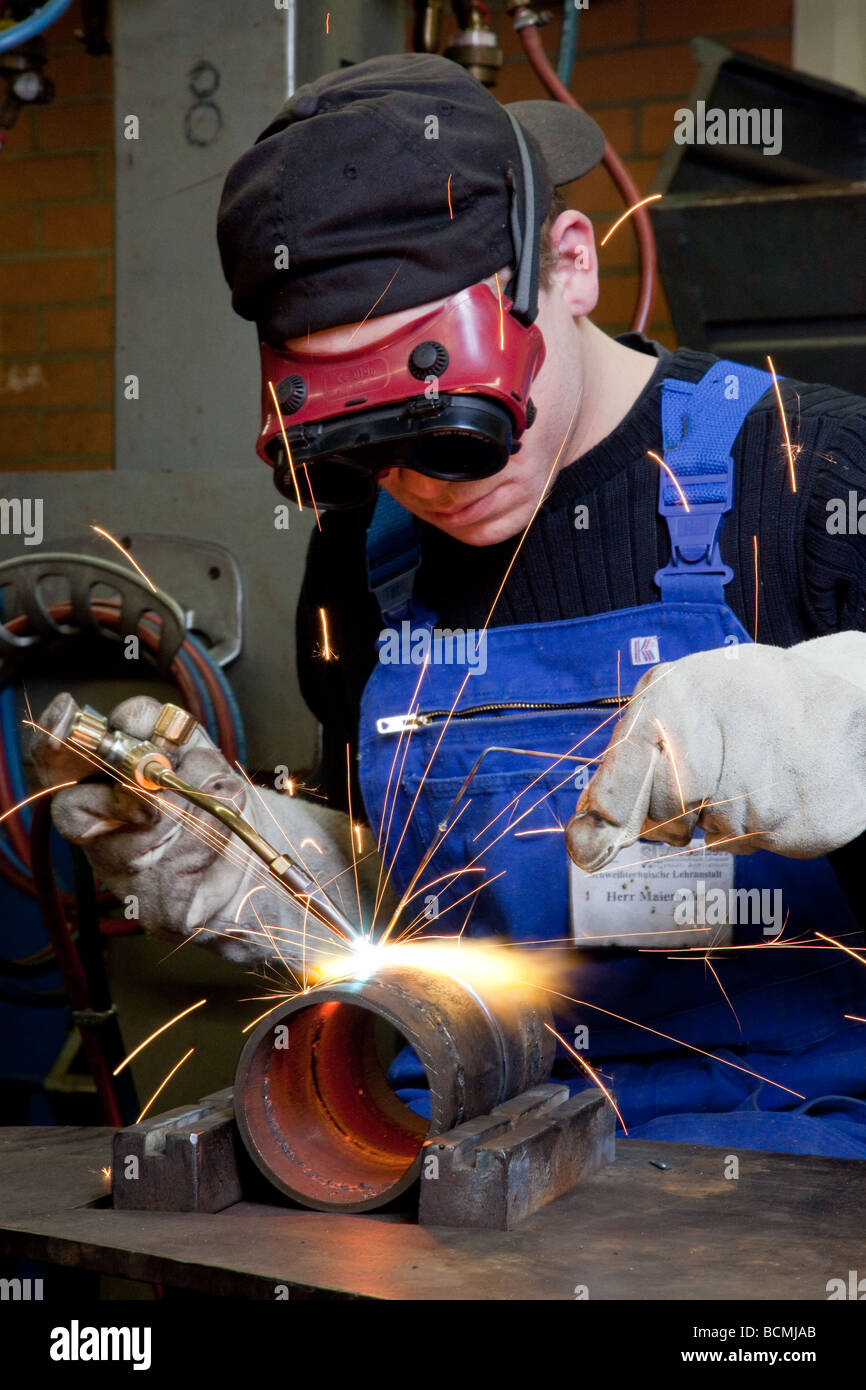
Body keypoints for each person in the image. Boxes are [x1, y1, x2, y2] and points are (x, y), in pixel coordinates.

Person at [36, 53, 866, 1156]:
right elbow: (424, 901)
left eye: (452, 429)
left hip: (789, 1152)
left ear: (569, 270)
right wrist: (244, 858)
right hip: (475, 1141)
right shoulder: (366, 562)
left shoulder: (813, 474)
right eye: (364, 448)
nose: (422, 484)